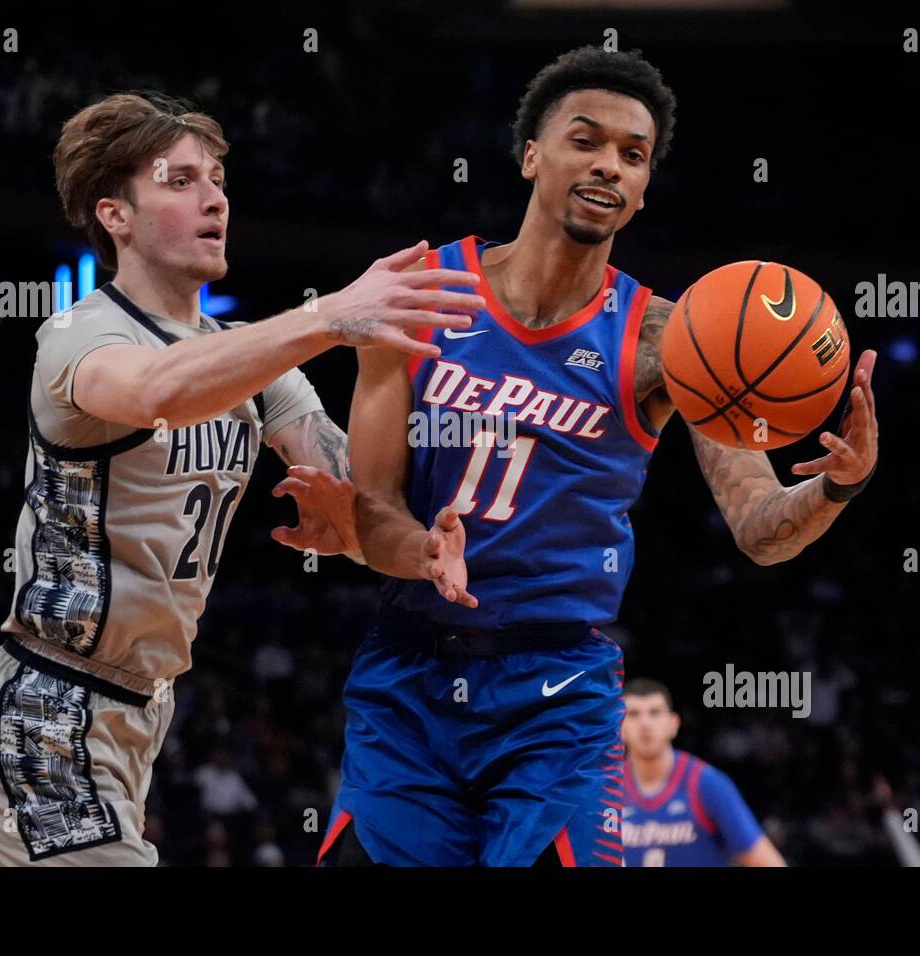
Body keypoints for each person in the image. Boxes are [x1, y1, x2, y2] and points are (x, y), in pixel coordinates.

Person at [319, 46, 880, 866]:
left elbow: (761, 528)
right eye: (586, 141)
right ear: (531, 156)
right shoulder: (422, 293)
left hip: (555, 692)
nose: (609, 165)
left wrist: (837, 487)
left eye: (633, 154)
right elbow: (372, 510)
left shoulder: (671, 340)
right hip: (407, 674)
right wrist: (421, 550)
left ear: (644, 188)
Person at [0, 91, 484, 866]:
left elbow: (362, 511)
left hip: (139, 713)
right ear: (115, 215)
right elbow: (158, 391)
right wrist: (330, 317)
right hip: (48, 703)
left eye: (219, 181)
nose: (215, 200)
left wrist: (423, 549)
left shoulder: (256, 364)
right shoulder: (79, 334)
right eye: (181, 181)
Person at [621, 679, 784, 866]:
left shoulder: (706, 783)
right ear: (619, 726)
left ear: (673, 724)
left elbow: (769, 862)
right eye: (633, 714)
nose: (645, 724)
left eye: (655, 712)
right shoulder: (607, 790)